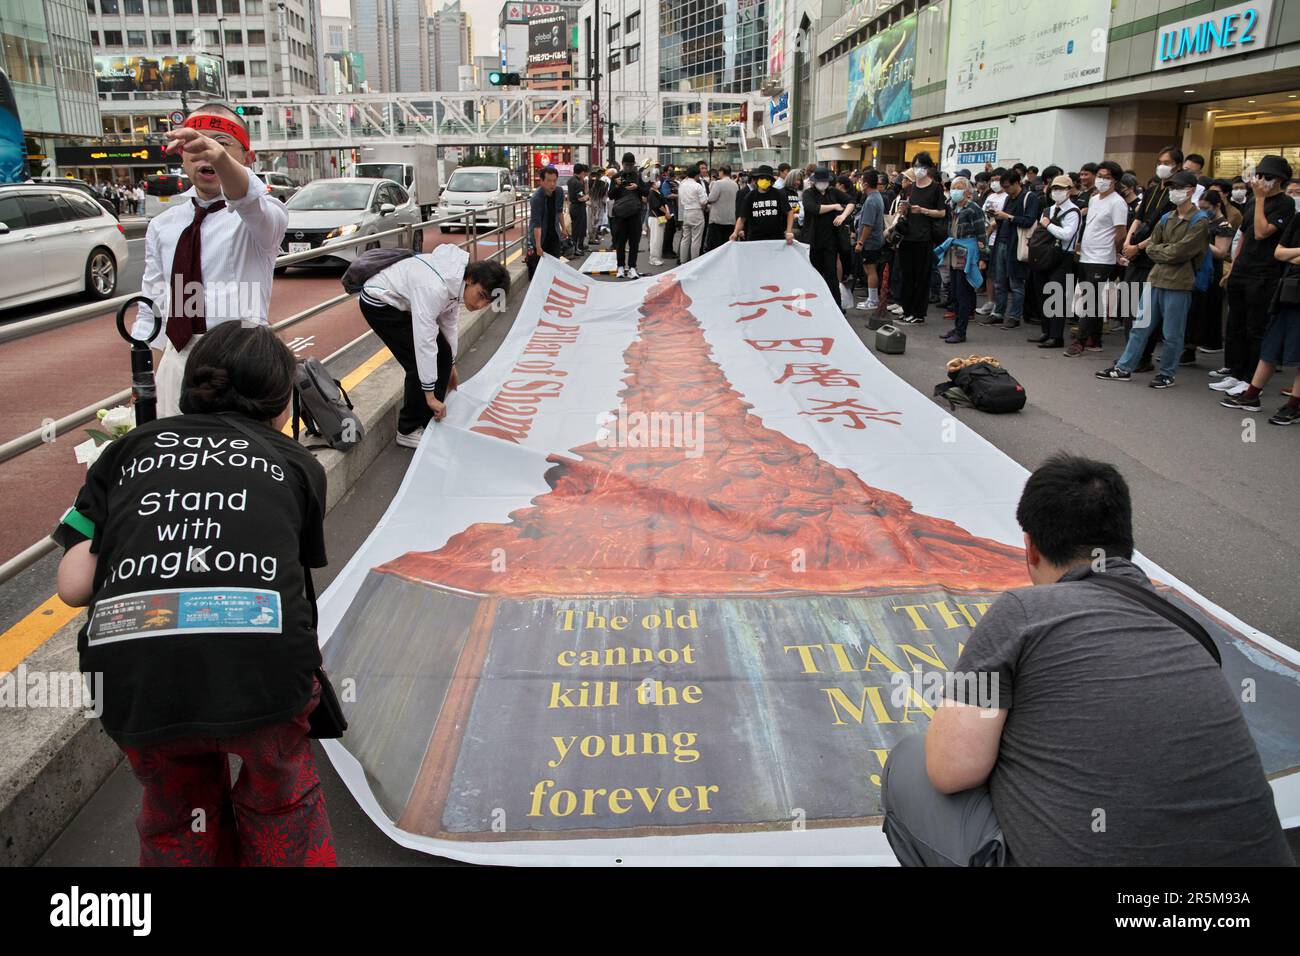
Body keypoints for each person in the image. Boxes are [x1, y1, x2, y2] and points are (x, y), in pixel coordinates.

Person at [881, 453, 1292, 867]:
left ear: (1031, 547)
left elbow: (951, 769)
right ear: (1124, 539)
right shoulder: (1188, 629)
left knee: (911, 760)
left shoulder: (1021, 613)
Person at [53, 322, 340, 867]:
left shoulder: (125, 451)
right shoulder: (297, 464)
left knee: (178, 814)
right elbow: (289, 570)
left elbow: (73, 587)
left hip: (135, 680)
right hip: (265, 678)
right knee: (283, 803)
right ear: (281, 405)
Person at [134, 103, 288, 418]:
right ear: (181, 153)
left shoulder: (263, 216)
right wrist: (144, 379)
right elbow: (151, 305)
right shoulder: (163, 225)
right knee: (175, 457)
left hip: (241, 366)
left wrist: (217, 156)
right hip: (177, 362)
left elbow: (246, 198)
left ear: (248, 158)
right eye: (196, 143)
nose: (206, 151)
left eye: (221, 142)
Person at [360, 247, 510, 447]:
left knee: (442, 354)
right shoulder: (436, 287)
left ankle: (429, 418)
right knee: (416, 361)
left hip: (401, 303)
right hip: (379, 303)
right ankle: (408, 429)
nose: (481, 304)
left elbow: (449, 324)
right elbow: (424, 341)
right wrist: (430, 396)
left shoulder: (456, 282)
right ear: (470, 280)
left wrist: (451, 365)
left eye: (488, 302)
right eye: (481, 295)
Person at [1097, 171, 1209, 388]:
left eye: (1179, 188)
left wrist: (1160, 250)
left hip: (1179, 283)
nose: (1174, 192)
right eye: (1171, 188)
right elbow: (1153, 247)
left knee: (1172, 333)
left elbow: (1180, 252)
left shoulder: (1199, 220)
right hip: (1155, 278)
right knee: (1140, 327)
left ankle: (1167, 373)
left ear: (1192, 190)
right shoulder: (1167, 217)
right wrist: (1162, 250)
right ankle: (1124, 367)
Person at [1216, 154, 1295, 395]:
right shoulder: (1251, 202)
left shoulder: (1285, 203)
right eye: (1259, 175)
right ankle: (1235, 372)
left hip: (1264, 274)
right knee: (1235, 325)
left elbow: (1262, 233)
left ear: (1280, 181)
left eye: (1267, 177)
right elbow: (1245, 235)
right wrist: (1233, 267)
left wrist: (1260, 199)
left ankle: (1251, 379)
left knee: (1255, 327)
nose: (1261, 180)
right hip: (1242, 270)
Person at [1217, 203, 1300, 423]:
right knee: (1271, 345)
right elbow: (1279, 253)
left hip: (1282, 285)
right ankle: (1252, 395)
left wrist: (1293, 255)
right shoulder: (1298, 219)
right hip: (1290, 291)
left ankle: (1294, 405)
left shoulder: (1286, 209)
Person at [1066, 160, 1128, 357]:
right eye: (1100, 176)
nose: (1102, 180)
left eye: (1107, 177)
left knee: (1090, 301)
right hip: (1086, 255)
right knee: (1091, 299)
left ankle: (1080, 341)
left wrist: (1116, 252)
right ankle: (1095, 338)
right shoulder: (1094, 199)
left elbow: (1120, 232)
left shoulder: (1118, 202)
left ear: (1115, 180)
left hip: (1103, 257)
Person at [981, 168, 1039, 331]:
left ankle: (1014, 316)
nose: (1005, 190)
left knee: (1016, 282)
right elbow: (1004, 218)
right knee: (999, 281)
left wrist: (1008, 217)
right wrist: (997, 217)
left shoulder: (1029, 197)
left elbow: (1029, 221)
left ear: (1016, 183)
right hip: (1001, 241)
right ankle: (998, 313)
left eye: (1007, 186)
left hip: (1017, 243)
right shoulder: (1008, 198)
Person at [1027, 174, 1081, 349]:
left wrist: (1048, 225)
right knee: (1041, 295)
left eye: (1061, 189)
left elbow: (1067, 235)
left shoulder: (1074, 211)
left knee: (1056, 297)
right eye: (1054, 189)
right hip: (1043, 255)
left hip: (1062, 257)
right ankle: (1046, 331)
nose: (1057, 192)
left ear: (1070, 191)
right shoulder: (1048, 210)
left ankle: (1056, 336)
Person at [934, 175, 986, 344]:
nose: (955, 191)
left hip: (967, 252)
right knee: (954, 291)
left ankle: (961, 330)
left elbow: (981, 234)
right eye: (953, 187)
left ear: (967, 191)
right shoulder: (953, 207)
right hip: (954, 249)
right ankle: (957, 327)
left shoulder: (974, 209)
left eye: (959, 187)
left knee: (963, 292)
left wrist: (982, 257)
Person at [895, 152, 946, 325]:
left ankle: (918, 313)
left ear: (929, 168)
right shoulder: (909, 188)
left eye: (921, 166)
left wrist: (923, 210)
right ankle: (907, 309)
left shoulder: (936, 188)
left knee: (921, 277)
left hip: (924, 237)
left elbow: (942, 212)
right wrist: (904, 210)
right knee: (906, 276)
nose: (918, 170)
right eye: (915, 166)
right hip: (907, 236)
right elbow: (901, 210)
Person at [802, 168, 855, 311]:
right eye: (820, 181)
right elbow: (813, 208)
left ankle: (836, 307)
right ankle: (815, 305)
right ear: (814, 181)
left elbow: (851, 201)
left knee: (831, 274)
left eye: (825, 181)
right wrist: (834, 207)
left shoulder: (833, 192)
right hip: (813, 241)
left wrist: (843, 215)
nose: (823, 184)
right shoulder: (808, 193)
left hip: (831, 241)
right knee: (815, 274)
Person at [731, 164, 795, 244]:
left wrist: (789, 231)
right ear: (756, 180)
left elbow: (789, 212)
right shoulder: (750, 196)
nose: (764, 180)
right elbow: (742, 218)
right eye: (761, 178)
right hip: (755, 239)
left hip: (775, 239)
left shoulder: (778, 194)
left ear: (771, 181)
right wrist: (735, 232)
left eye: (767, 178)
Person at [609, 153, 647, 279]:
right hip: (620, 215)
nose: (629, 168)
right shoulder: (616, 177)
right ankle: (620, 266)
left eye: (631, 165)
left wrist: (638, 187)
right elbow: (610, 195)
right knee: (620, 242)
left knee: (634, 242)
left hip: (635, 214)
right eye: (626, 165)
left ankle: (632, 267)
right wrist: (617, 185)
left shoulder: (638, 176)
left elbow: (647, 192)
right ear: (623, 164)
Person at [526, 165, 567, 279]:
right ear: (542, 181)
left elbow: (559, 212)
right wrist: (538, 246)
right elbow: (536, 224)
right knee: (540, 268)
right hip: (540, 236)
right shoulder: (537, 198)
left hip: (554, 233)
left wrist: (563, 228)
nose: (552, 184)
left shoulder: (559, 192)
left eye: (554, 181)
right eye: (549, 181)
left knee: (555, 264)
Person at [853, 168, 885, 310]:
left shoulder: (871, 200)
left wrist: (860, 242)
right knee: (870, 269)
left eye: (861, 181)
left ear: (866, 184)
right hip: (874, 240)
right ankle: (872, 298)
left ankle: (873, 300)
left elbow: (867, 225)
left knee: (870, 269)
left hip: (870, 241)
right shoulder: (876, 196)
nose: (859, 183)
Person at [676, 164, 708, 263]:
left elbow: (680, 200)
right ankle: (694, 263)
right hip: (697, 212)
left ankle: (683, 262)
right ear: (697, 174)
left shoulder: (682, 185)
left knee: (685, 239)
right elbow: (704, 202)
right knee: (696, 240)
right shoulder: (697, 186)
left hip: (686, 212)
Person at [704, 164, 738, 252]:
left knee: (715, 247)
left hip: (717, 220)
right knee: (727, 245)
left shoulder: (718, 183)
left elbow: (711, 198)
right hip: (731, 219)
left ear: (722, 172)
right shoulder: (735, 184)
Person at [566, 164, 589, 255]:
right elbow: (580, 198)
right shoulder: (578, 183)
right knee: (578, 229)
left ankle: (575, 248)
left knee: (574, 228)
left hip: (573, 206)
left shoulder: (570, 180)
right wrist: (587, 197)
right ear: (582, 172)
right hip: (578, 207)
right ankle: (576, 249)